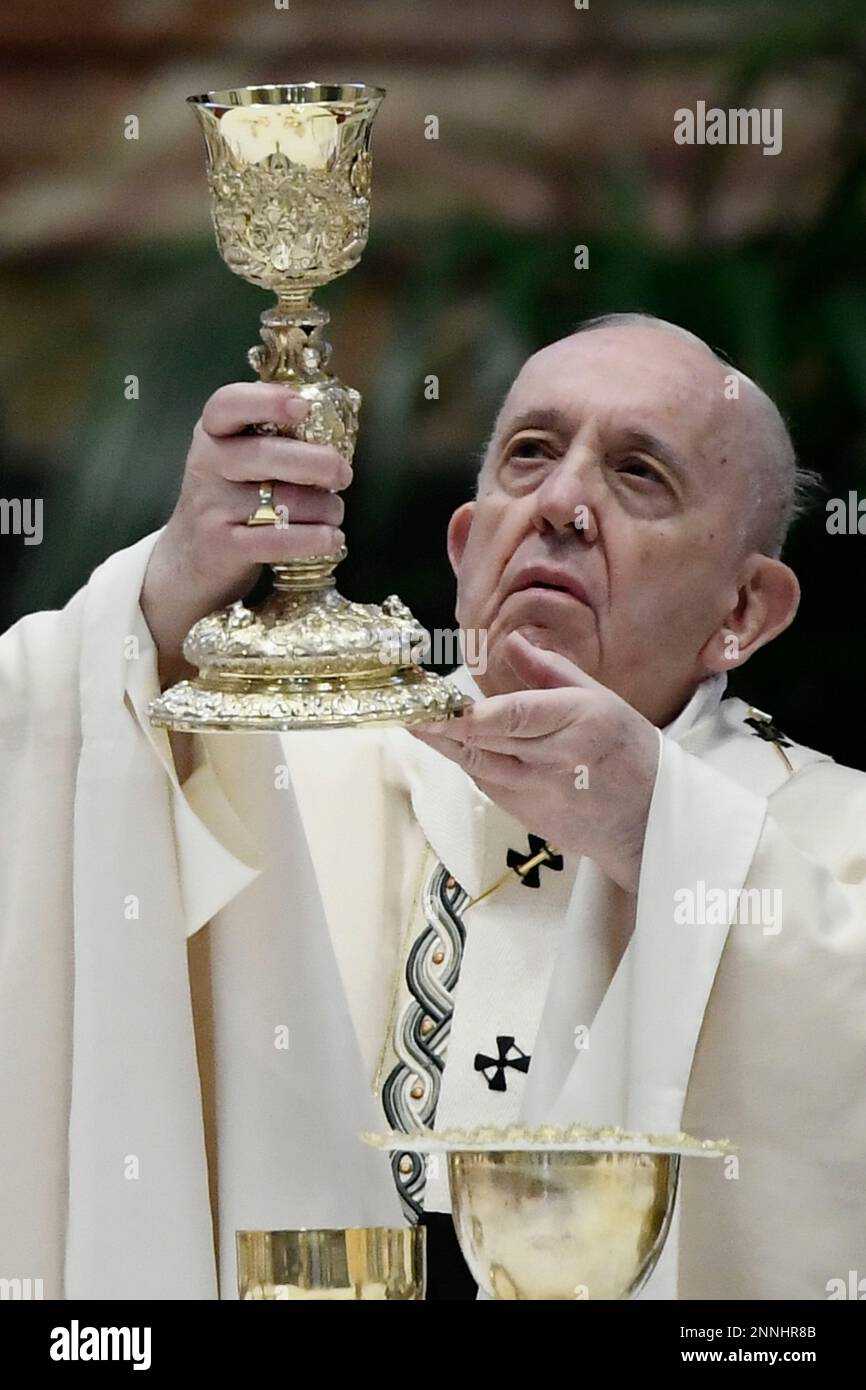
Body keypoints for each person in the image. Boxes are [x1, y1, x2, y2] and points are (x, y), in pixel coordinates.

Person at [1, 313, 864, 1301]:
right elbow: (70, 783)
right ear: (462, 549)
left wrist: (659, 832)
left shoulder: (831, 847)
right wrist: (163, 596)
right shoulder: (287, 775)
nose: (561, 504)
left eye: (637, 474)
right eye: (529, 454)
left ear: (741, 612)